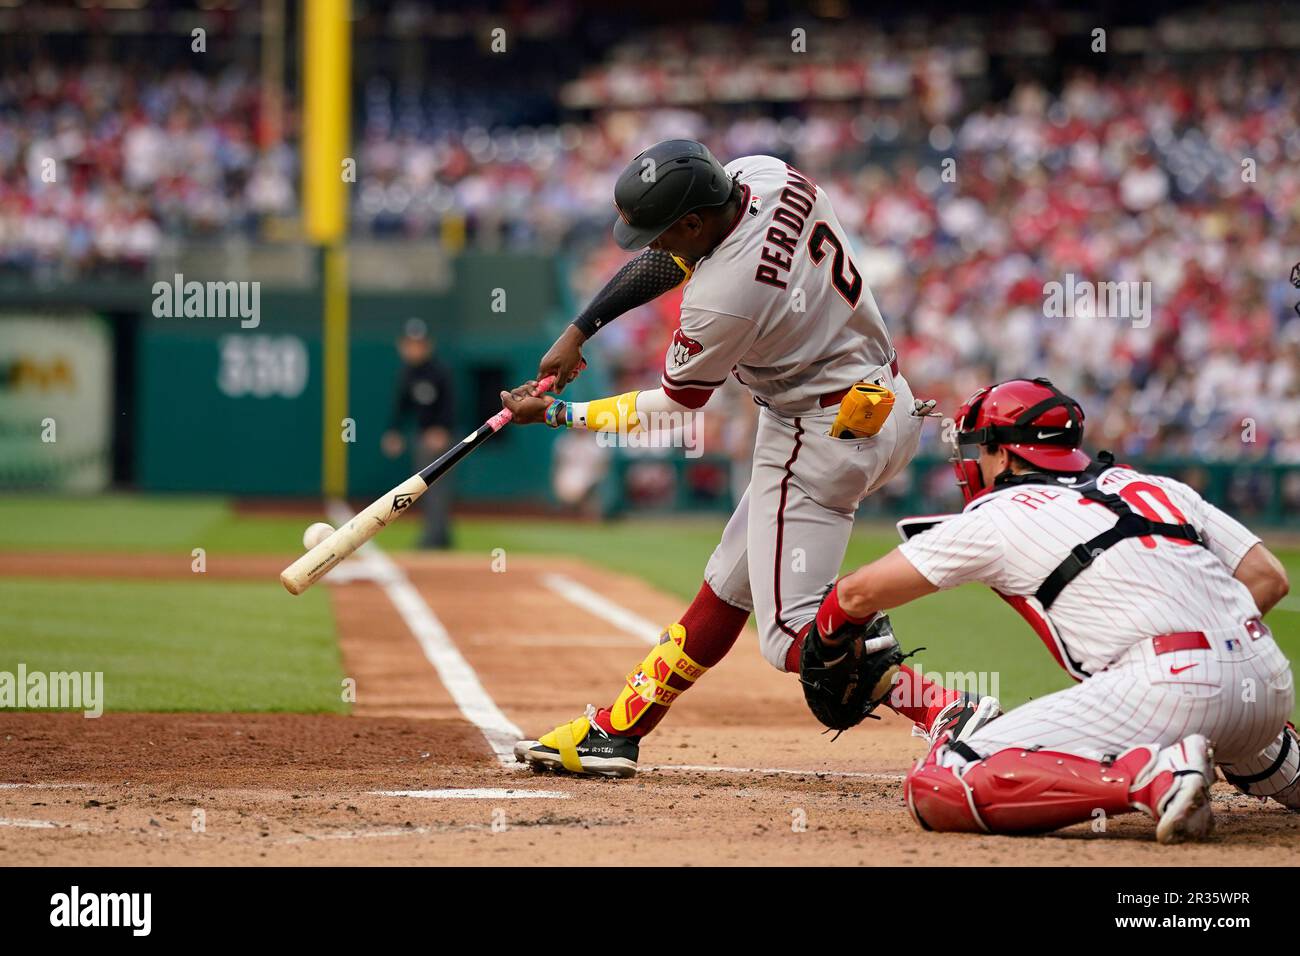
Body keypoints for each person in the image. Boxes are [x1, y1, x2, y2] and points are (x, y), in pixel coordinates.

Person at [500, 139, 994, 777]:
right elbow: (676, 257)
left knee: (790, 635)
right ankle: (616, 731)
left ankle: (946, 709)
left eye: (663, 231)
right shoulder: (764, 174)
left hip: (815, 434)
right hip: (887, 403)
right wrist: (580, 329)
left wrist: (560, 415)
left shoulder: (722, 297)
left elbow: (676, 404)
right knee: (729, 585)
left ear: (693, 222)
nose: (654, 245)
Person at [811, 377, 1295, 843]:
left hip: (1164, 689)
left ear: (1004, 453)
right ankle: (1261, 758)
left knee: (938, 783)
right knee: (1244, 732)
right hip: (1268, 688)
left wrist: (828, 637)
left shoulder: (1000, 513)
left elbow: (858, 593)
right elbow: (1268, 578)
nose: (976, 462)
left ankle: (1155, 775)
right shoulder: (1153, 485)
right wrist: (1217, 657)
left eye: (981, 449)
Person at [382, 318, 456, 549]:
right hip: (422, 437)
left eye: (418, 344)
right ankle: (435, 534)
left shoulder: (439, 371)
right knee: (423, 488)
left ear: (427, 345)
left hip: (441, 438)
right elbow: (400, 407)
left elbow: (451, 404)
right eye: (410, 344)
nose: (414, 349)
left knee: (437, 488)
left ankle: (437, 537)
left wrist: (442, 430)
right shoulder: (407, 373)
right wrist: (394, 431)